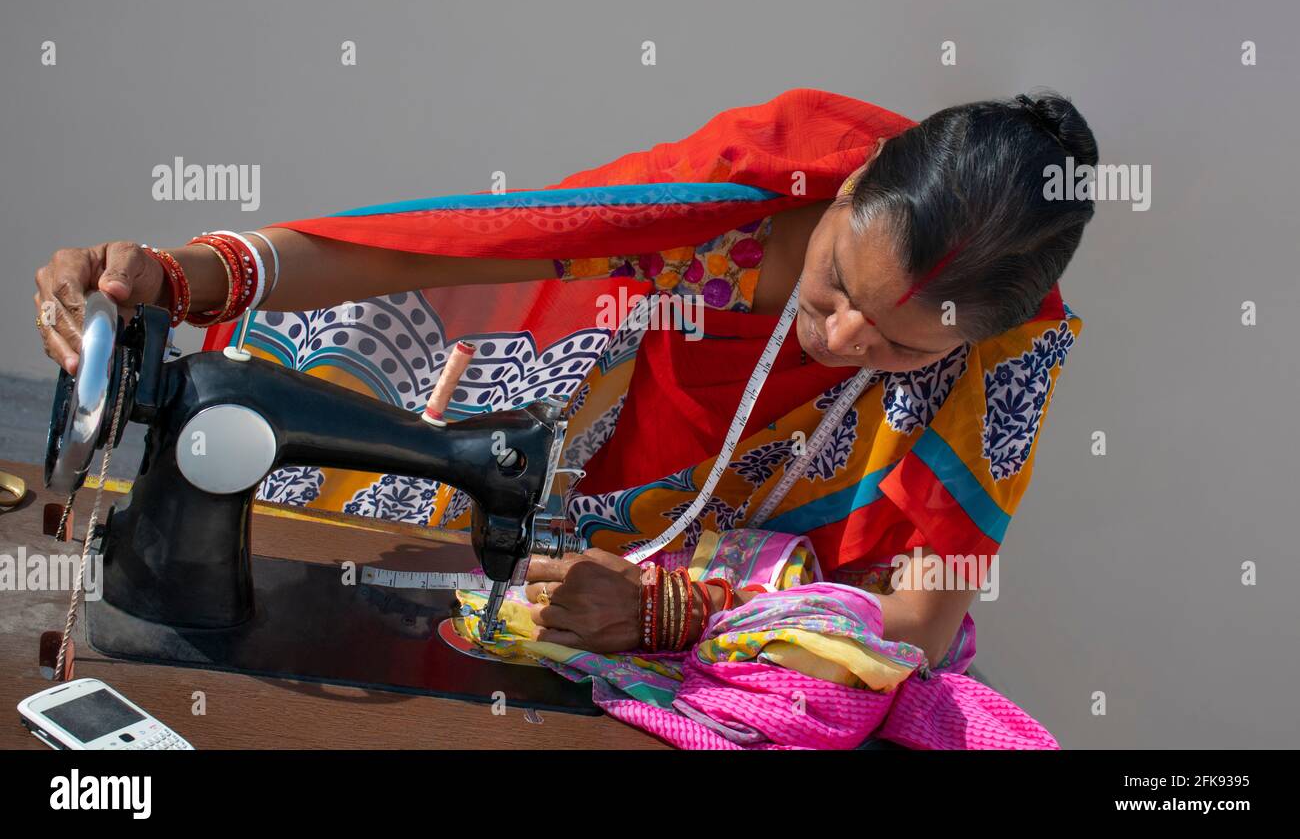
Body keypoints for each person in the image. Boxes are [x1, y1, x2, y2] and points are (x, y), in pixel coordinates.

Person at [31, 88, 1096, 673]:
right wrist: (185, 274)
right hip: (587, 484)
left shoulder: (1005, 352)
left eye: (900, 348)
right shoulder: (740, 186)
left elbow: (913, 619)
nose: (844, 337)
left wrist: (675, 611)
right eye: (835, 284)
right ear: (854, 182)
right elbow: (449, 251)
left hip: (736, 601)